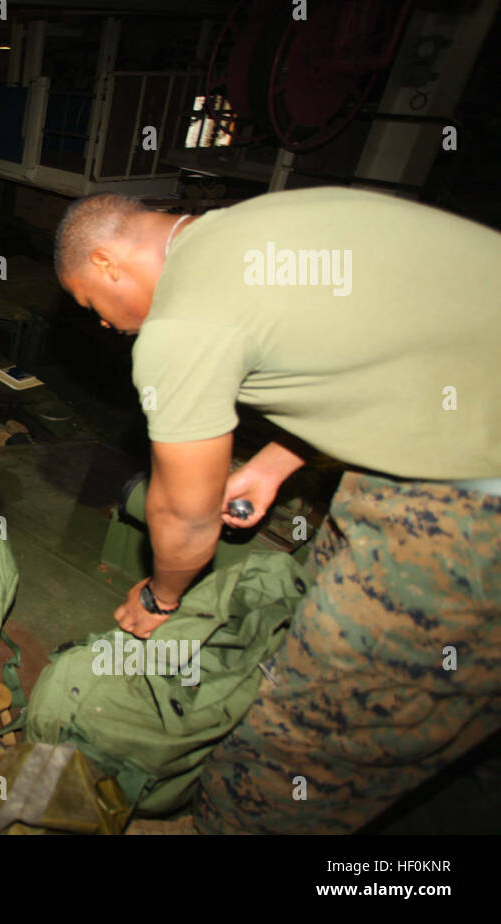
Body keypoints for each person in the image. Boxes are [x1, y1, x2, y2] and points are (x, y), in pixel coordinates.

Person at [53, 186, 501, 833]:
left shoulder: (181, 324)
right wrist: (272, 463)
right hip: (434, 442)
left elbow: (185, 516)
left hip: (465, 506)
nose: (102, 323)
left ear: (106, 263)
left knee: (311, 734)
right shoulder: (263, 223)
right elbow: (373, 353)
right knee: (322, 606)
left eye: (91, 304)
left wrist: (160, 596)